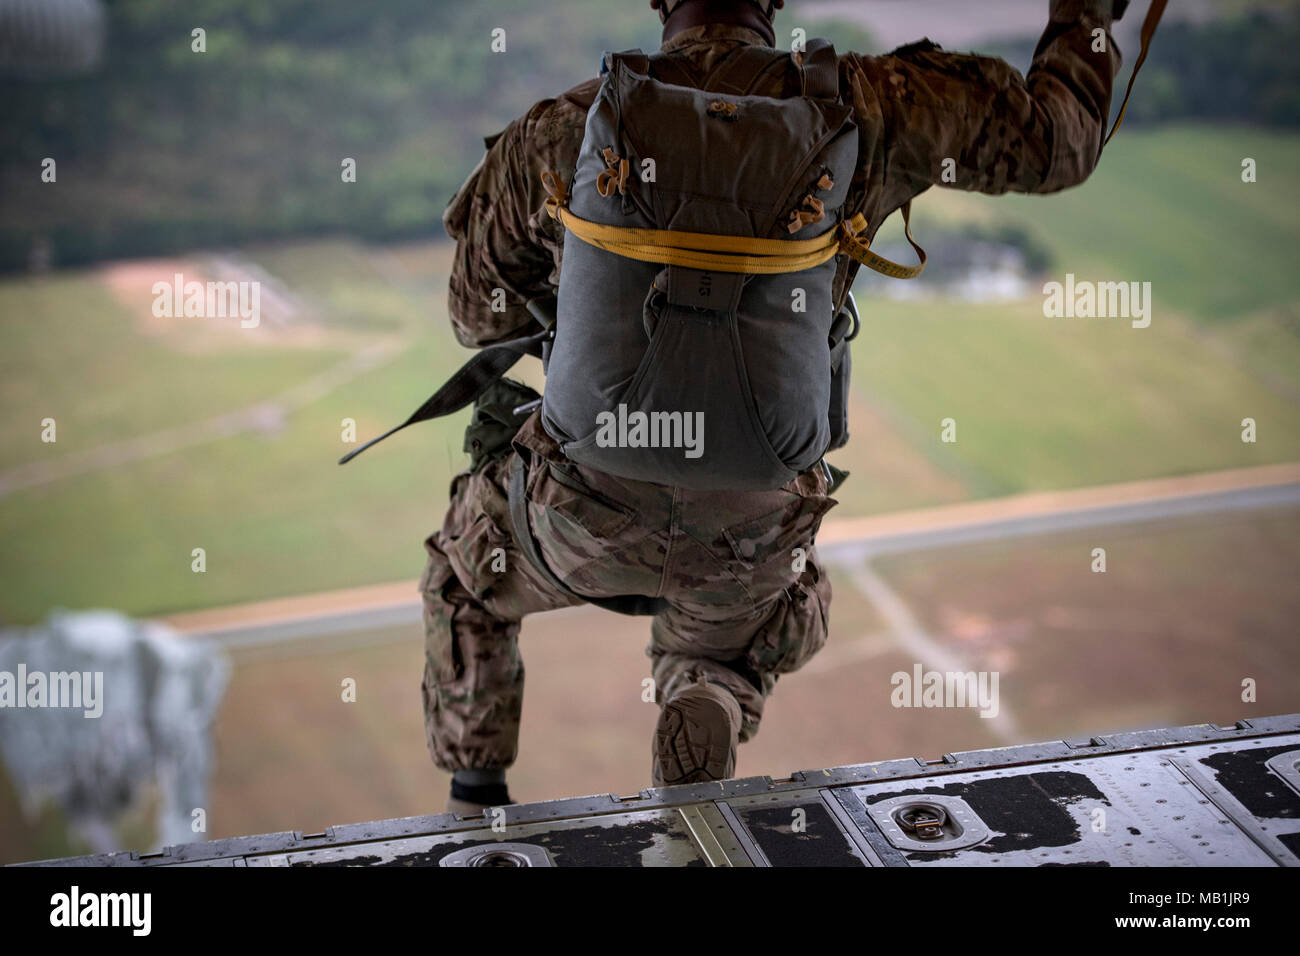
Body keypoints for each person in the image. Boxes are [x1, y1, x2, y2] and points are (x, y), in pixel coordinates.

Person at [426, 0, 1126, 815]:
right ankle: (715, 685)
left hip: (579, 511)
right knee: (759, 600)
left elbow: (476, 317)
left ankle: (475, 793)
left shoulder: (564, 129)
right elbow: (1059, 143)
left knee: (467, 574)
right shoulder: (874, 104)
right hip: (750, 531)